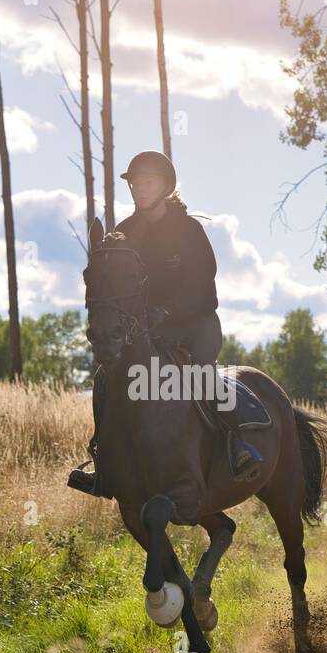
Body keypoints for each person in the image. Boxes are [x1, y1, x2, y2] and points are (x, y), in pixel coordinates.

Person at [68, 150, 263, 496]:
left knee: (201, 373)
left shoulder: (189, 231)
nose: (140, 189)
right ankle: (103, 460)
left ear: (165, 187)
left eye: (148, 182)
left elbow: (204, 289)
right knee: (105, 378)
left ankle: (239, 445)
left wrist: (168, 311)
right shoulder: (125, 232)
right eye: (136, 183)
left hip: (196, 324)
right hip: (145, 331)